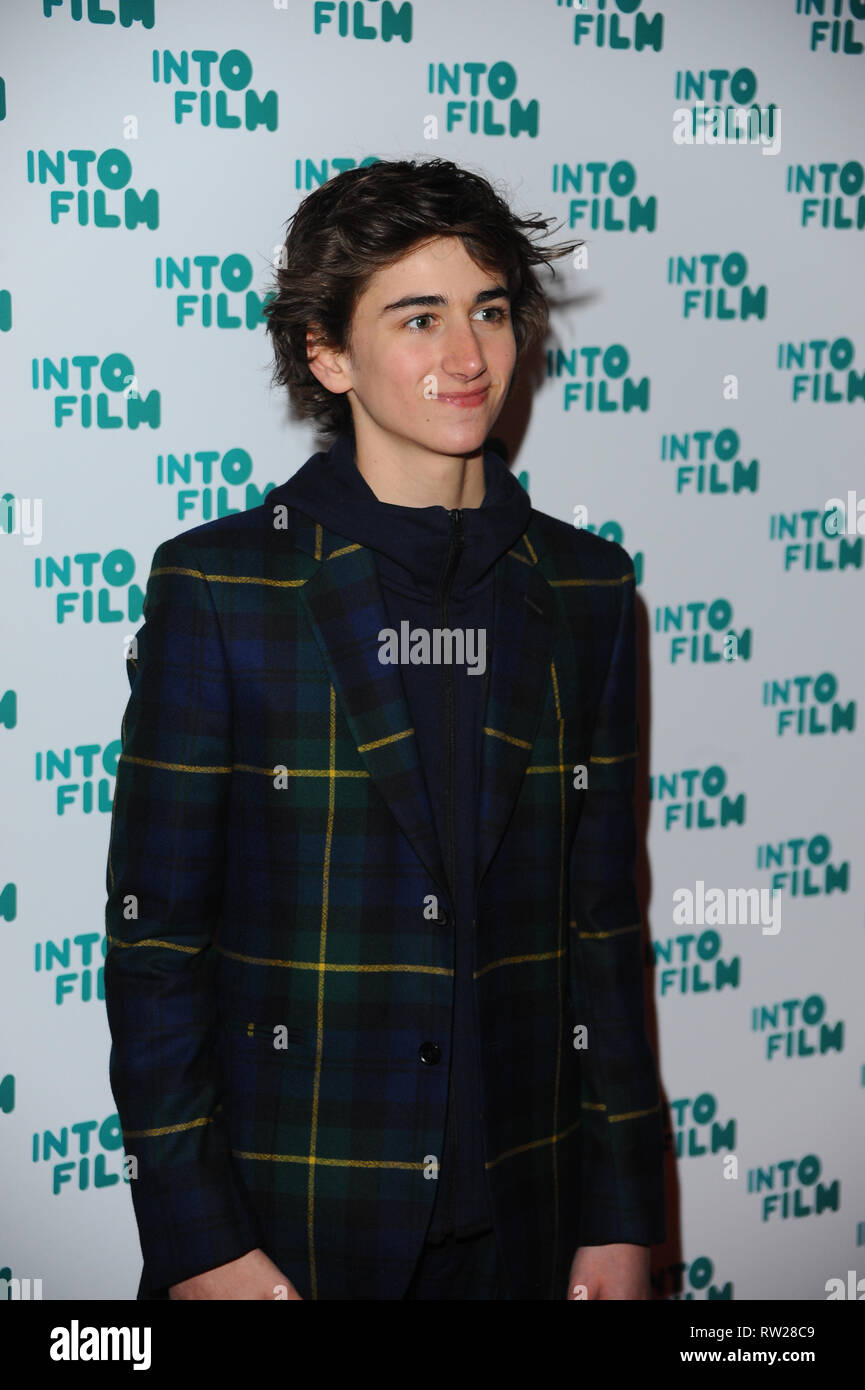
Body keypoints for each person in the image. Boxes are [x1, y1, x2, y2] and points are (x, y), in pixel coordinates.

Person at [104, 157, 665, 1301]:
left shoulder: (589, 591)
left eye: (490, 310)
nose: (468, 358)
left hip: (531, 1221)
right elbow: (155, 946)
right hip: (290, 1228)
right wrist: (202, 1237)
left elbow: (602, 933)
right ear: (327, 352)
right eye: (419, 318)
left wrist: (622, 1213)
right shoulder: (222, 586)